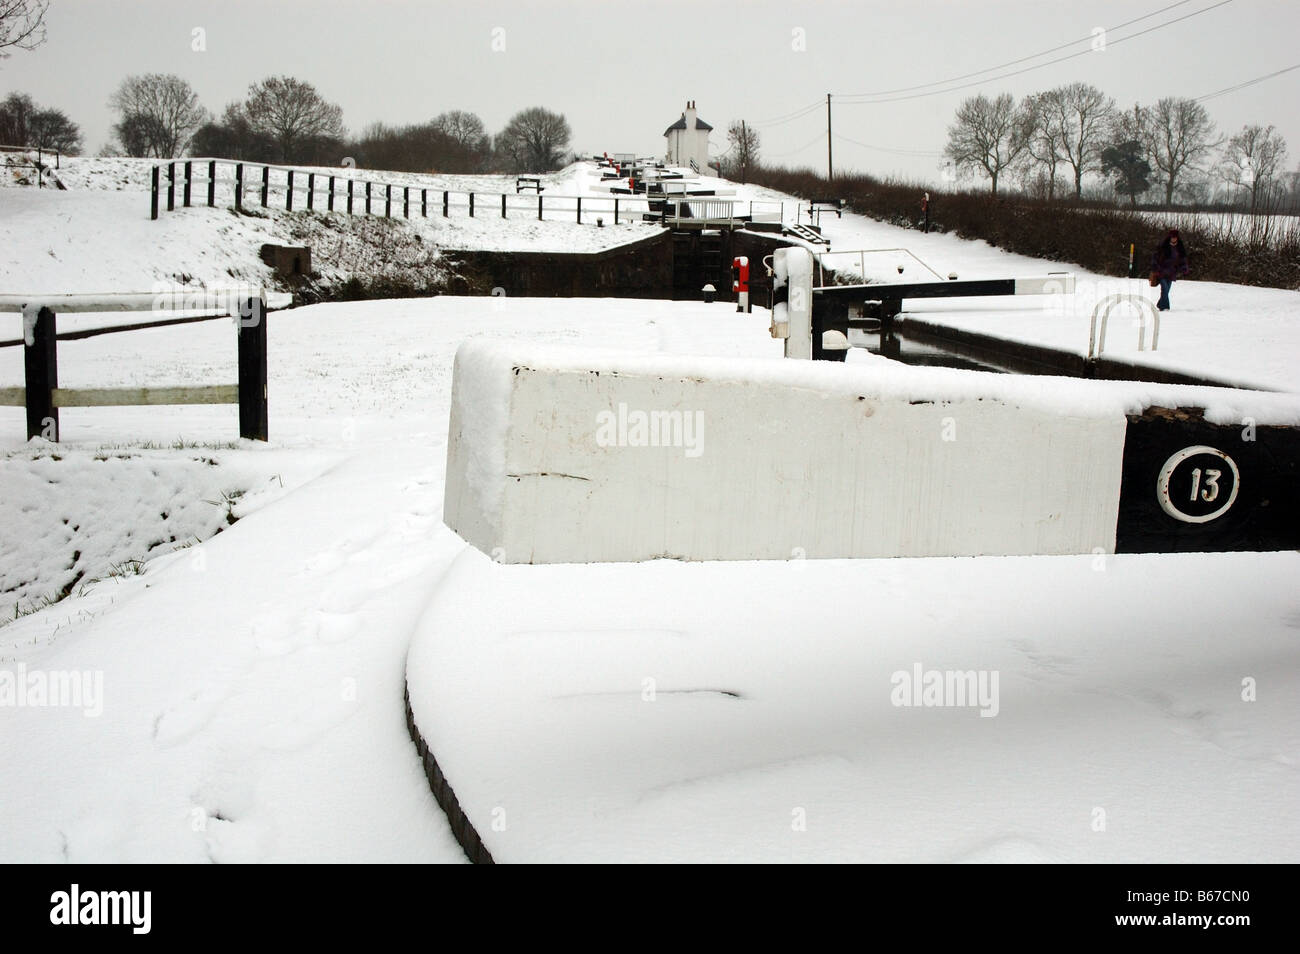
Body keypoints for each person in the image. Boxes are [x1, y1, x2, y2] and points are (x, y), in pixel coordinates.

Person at [1150, 229, 1189, 311]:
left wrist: (1184, 268)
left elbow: (1183, 259)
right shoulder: (1163, 246)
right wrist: (1155, 268)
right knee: (1164, 288)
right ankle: (1165, 307)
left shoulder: (1180, 247)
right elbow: (1155, 257)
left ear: (1177, 238)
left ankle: (1161, 304)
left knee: (1166, 290)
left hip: (1172, 272)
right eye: (1172, 237)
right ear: (1170, 237)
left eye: (1175, 237)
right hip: (1161, 271)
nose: (1173, 239)